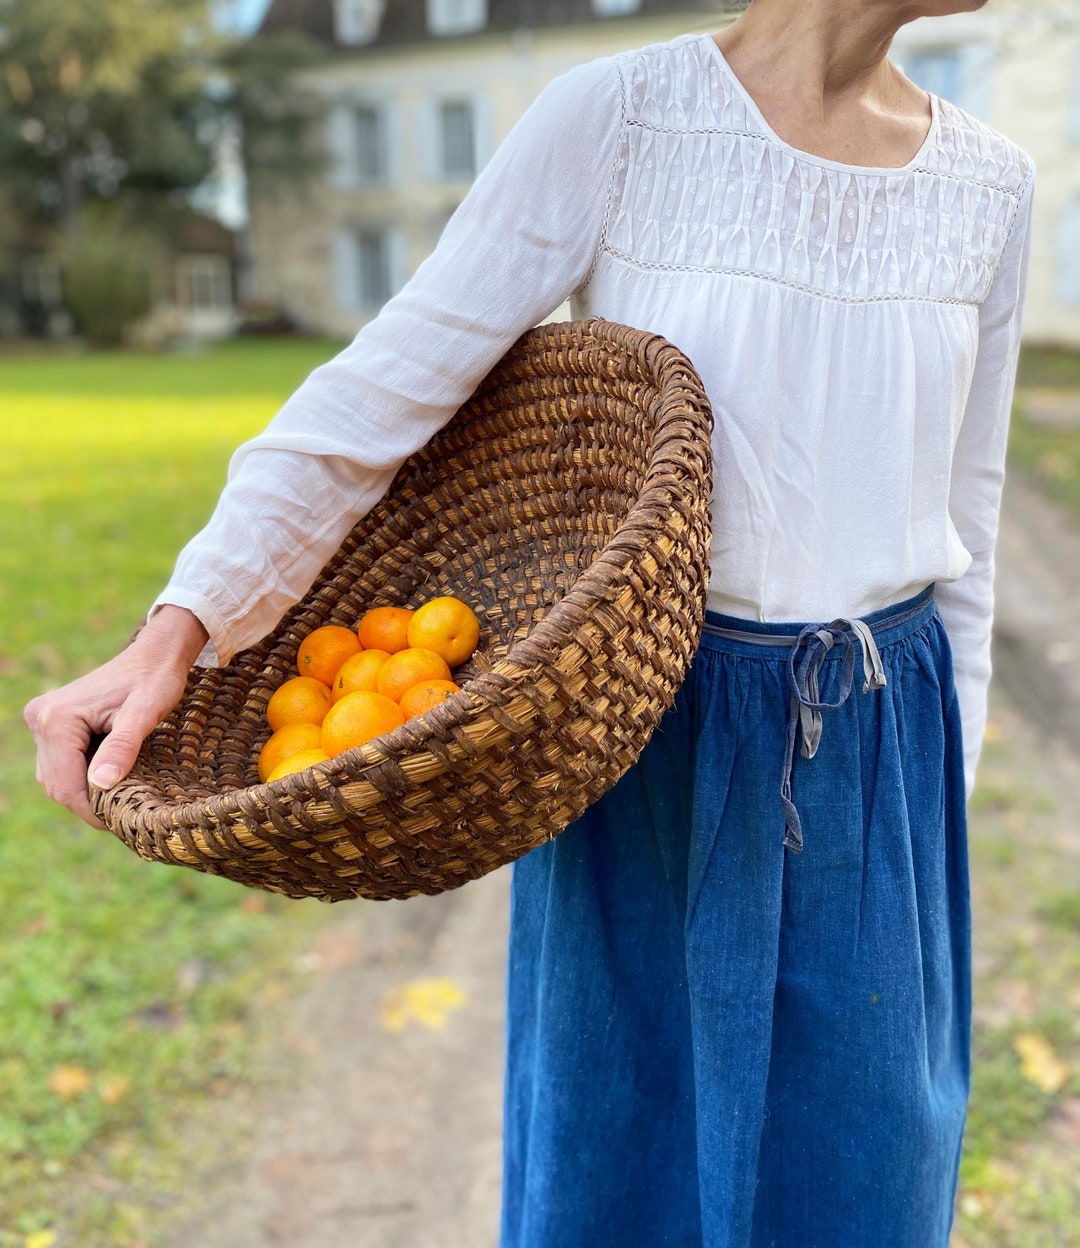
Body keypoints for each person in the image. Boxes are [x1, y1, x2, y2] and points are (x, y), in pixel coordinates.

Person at [26, 0, 1033, 1243]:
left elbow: (970, 526)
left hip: (881, 745)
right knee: (622, 1171)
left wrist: (931, 795)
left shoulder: (993, 182)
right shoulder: (618, 117)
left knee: (864, 1182)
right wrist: (181, 627)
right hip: (647, 733)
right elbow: (381, 390)